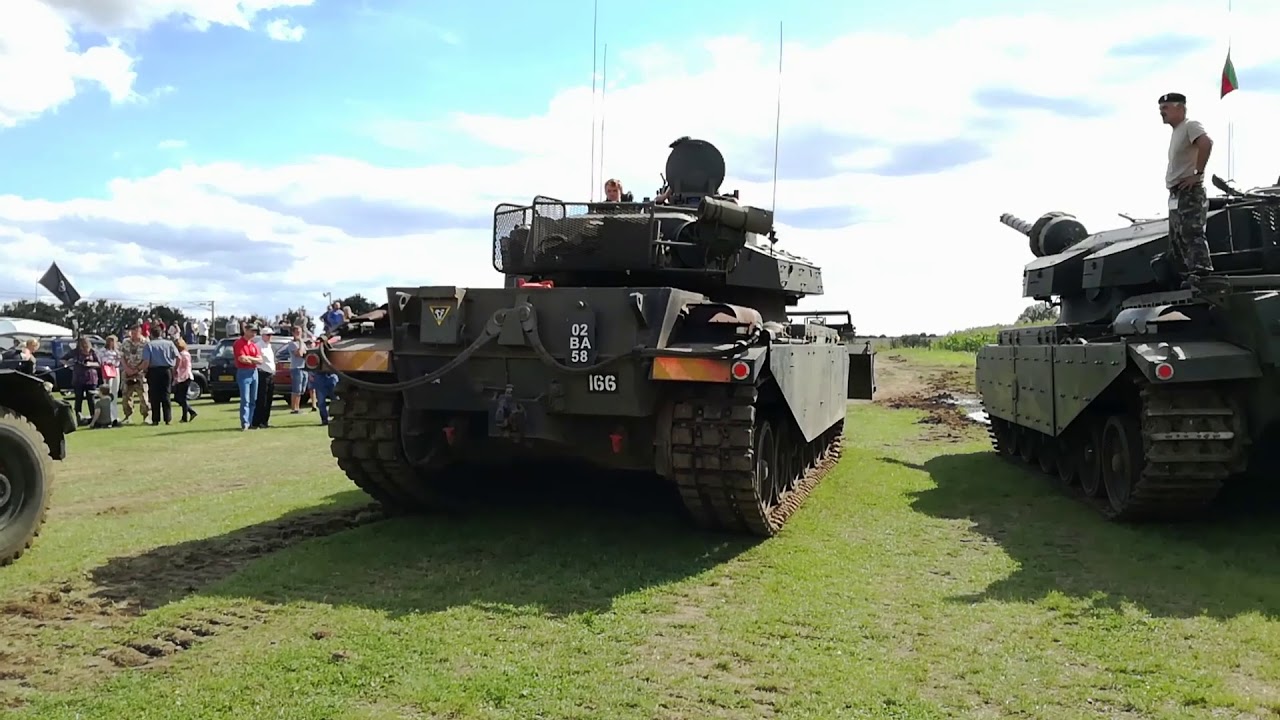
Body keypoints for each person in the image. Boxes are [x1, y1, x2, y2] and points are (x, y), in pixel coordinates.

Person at [1159, 91, 1215, 287]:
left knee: (1191, 231)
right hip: (1177, 193)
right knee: (1177, 237)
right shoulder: (1177, 131)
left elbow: (1206, 143)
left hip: (1189, 191)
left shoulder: (1190, 125)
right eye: (1160, 108)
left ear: (1180, 108)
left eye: (1165, 108)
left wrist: (1198, 173)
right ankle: (1188, 275)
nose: (1161, 112)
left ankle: (1201, 272)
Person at [140, 325, 179, 425]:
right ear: (161, 333)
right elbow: (178, 357)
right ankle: (168, 418)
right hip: (167, 370)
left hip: (153, 371)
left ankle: (155, 419)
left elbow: (146, 361)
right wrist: (175, 369)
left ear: (151, 334)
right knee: (166, 394)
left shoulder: (149, 345)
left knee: (154, 396)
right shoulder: (169, 343)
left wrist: (143, 370)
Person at [232, 323, 262, 430]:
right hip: (243, 372)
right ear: (246, 330)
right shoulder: (239, 343)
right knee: (245, 399)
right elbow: (241, 359)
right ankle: (245, 422)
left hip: (254, 372)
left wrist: (249, 358)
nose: (254, 334)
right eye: (252, 331)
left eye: (255, 332)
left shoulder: (254, 345)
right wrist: (252, 359)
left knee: (253, 399)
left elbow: (260, 360)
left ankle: (250, 422)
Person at [250, 325, 277, 429]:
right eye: (268, 335)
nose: (270, 337)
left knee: (269, 399)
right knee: (262, 399)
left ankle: (265, 421)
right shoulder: (258, 346)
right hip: (262, 373)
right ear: (263, 335)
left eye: (271, 335)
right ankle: (257, 421)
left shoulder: (269, 346)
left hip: (270, 374)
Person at [172, 337, 198, 423]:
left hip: (184, 377)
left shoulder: (183, 354)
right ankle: (190, 412)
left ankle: (185, 417)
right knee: (179, 398)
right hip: (183, 377)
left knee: (181, 398)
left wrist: (178, 375)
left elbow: (184, 367)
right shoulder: (185, 354)